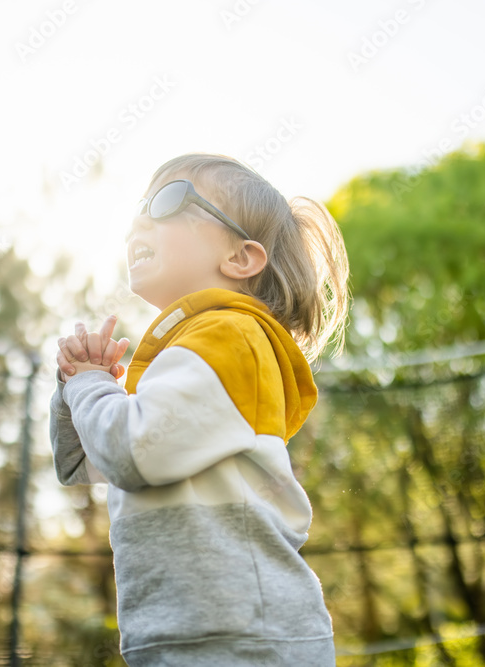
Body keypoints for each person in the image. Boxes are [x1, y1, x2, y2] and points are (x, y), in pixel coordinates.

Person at [49, 152, 350, 665]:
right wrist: (75, 386)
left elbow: (129, 449)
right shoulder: (184, 354)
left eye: (168, 200)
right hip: (186, 640)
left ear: (239, 258)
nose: (138, 220)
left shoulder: (230, 335)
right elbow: (82, 463)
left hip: (247, 643)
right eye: (139, 205)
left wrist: (90, 384)